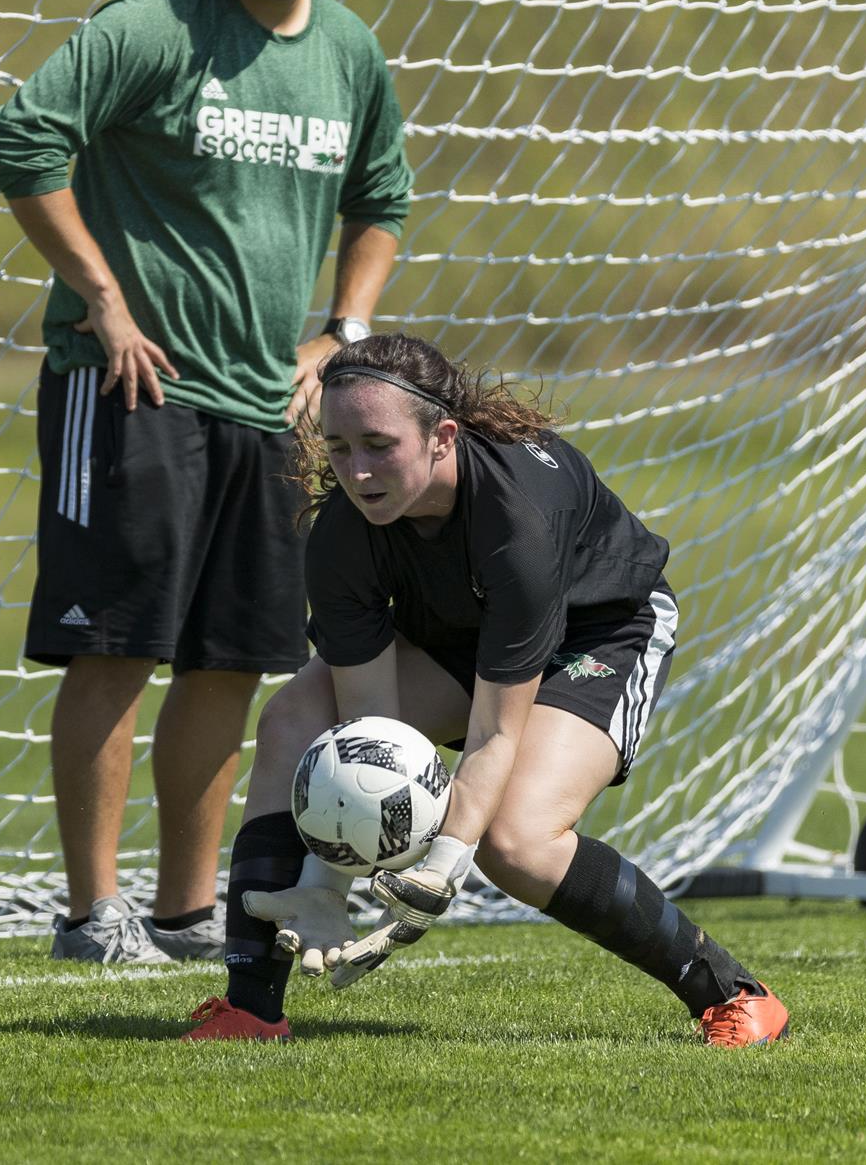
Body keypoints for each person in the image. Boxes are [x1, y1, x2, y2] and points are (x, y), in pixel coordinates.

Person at [0, 0, 412, 964]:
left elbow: (381, 199)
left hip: (268, 411)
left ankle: (179, 916)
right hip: (129, 390)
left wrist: (341, 337)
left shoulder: (352, 53)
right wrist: (102, 298)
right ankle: (89, 914)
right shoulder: (155, 25)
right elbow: (20, 138)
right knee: (114, 650)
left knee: (229, 659)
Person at [182, 335, 790, 1046]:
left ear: (443, 436)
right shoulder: (342, 534)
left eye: (378, 444)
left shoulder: (518, 523)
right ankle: (251, 1005)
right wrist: (325, 882)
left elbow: (495, 732)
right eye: (340, 447)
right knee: (293, 717)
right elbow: (372, 741)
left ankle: (732, 992)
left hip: (596, 633)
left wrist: (443, 862)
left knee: (516, 841)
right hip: (456, 637)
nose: (357, 471)